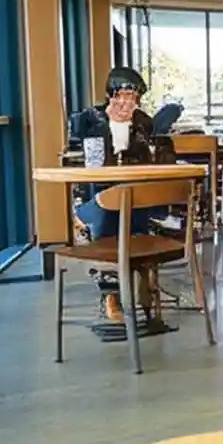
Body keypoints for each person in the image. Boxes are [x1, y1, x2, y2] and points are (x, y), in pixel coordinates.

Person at [71, 67, 173, 323]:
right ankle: (112, 295)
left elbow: (151, 154)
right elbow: (81, 146)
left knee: (132, 212)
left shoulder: (143, 122)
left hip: (133, 187)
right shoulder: (91, 118)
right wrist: (107, 123)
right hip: (102, 185)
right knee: (110, 210)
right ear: (111, 95)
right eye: (122, 95)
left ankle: (87, 217)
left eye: (133, 96)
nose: (127, 101)